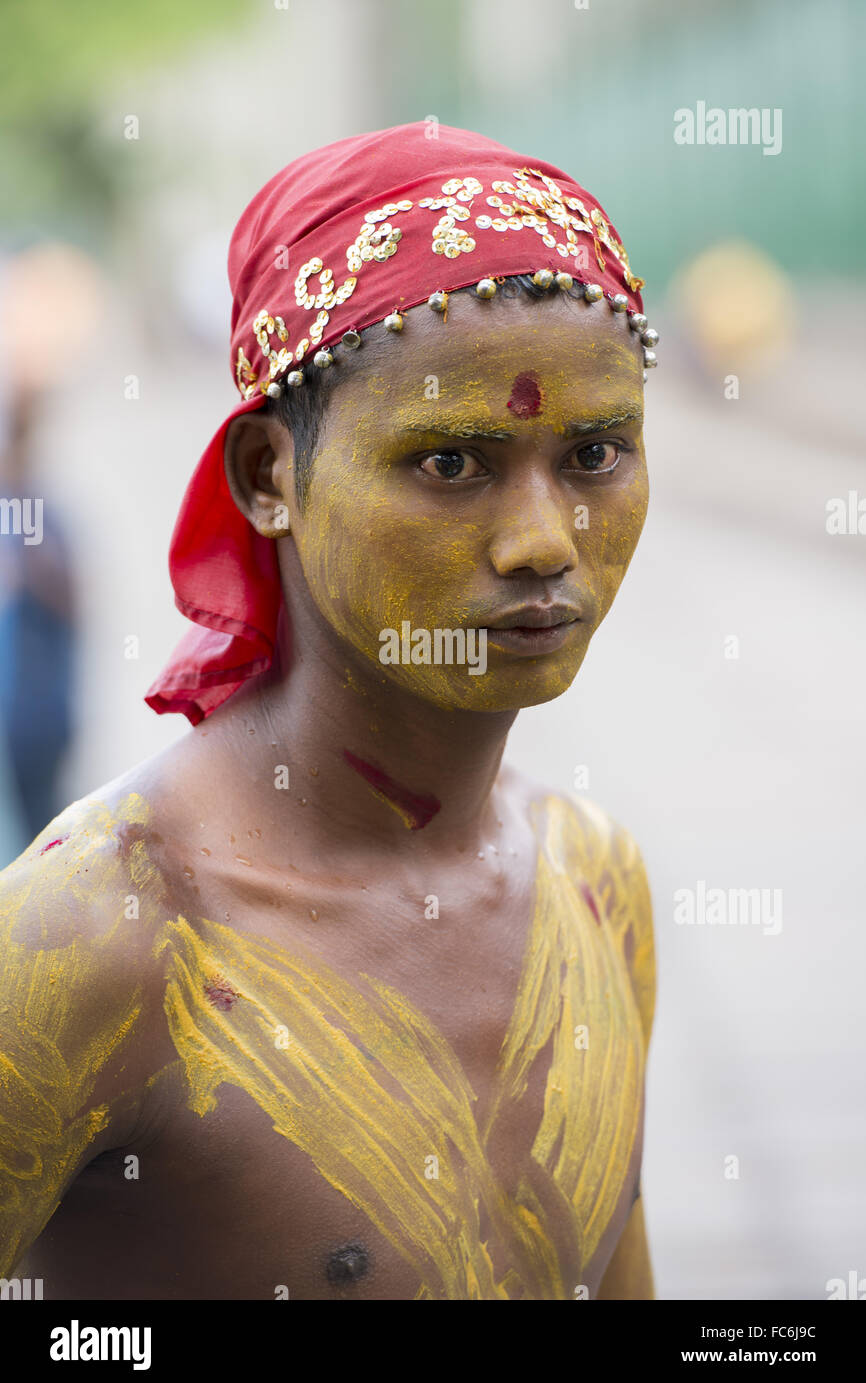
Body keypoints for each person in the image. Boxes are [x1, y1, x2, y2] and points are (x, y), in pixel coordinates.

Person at [0, 123, 660, 1300]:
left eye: (596, 453)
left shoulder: (592, 884)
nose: (543, 541)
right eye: (450, 463)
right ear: (268, 478)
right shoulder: (95, 943)